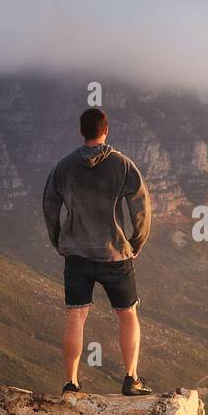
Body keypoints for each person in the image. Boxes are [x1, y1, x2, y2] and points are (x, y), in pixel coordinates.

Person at [42, 107, 152, 396]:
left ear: (82, 132)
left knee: (76, 317)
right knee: (128, 315)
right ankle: (131, 378)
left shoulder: (63, 167)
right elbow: (141, 207)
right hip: (114, 254)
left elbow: (50, 206)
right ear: (106, 130)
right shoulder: (122, 165)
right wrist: (136, 242)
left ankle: (71, 383)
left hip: (76, 255)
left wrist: (59, 240)